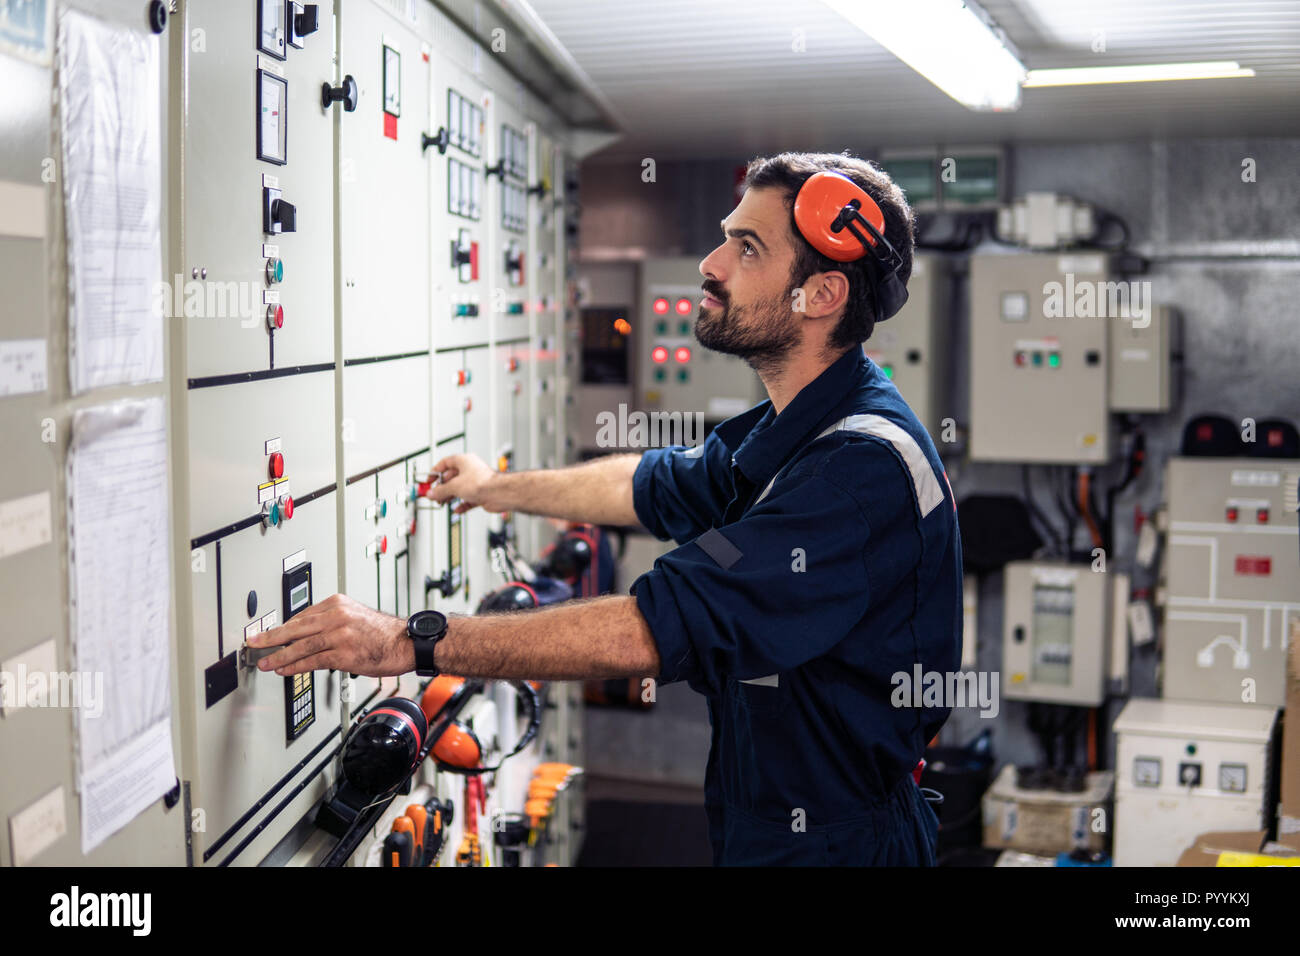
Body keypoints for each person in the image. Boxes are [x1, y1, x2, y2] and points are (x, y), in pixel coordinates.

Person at [250, 151, 963, 866]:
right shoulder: (792, 426)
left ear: (824, 293)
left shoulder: (860, 467)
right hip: (775, 818)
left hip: (843, 845)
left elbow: (650, 632)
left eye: (747, 248)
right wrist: (494, 486)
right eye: (725, 235)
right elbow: (646, 484)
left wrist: (410, 640)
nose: (711, 264)